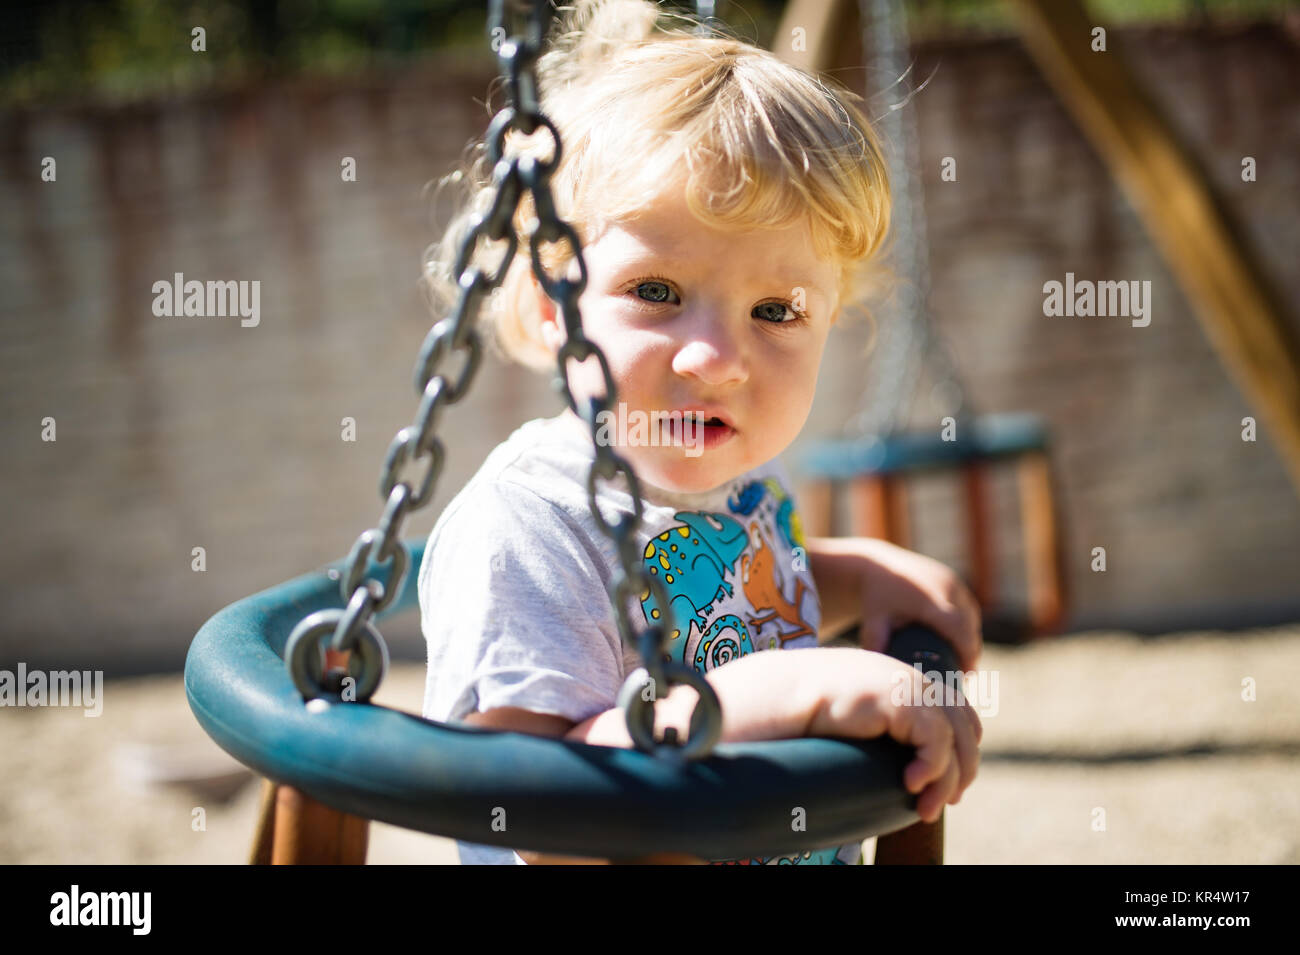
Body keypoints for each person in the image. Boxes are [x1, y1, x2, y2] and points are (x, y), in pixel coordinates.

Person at [419, 0, 982, 864]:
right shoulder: (526, 532)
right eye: (656, 292)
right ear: (547, 303)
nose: (718, 359)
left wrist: (854, 576)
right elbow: (540, 815)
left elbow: (732, 599)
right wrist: (782, 692)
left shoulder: (741, 477)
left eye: (775, 310)